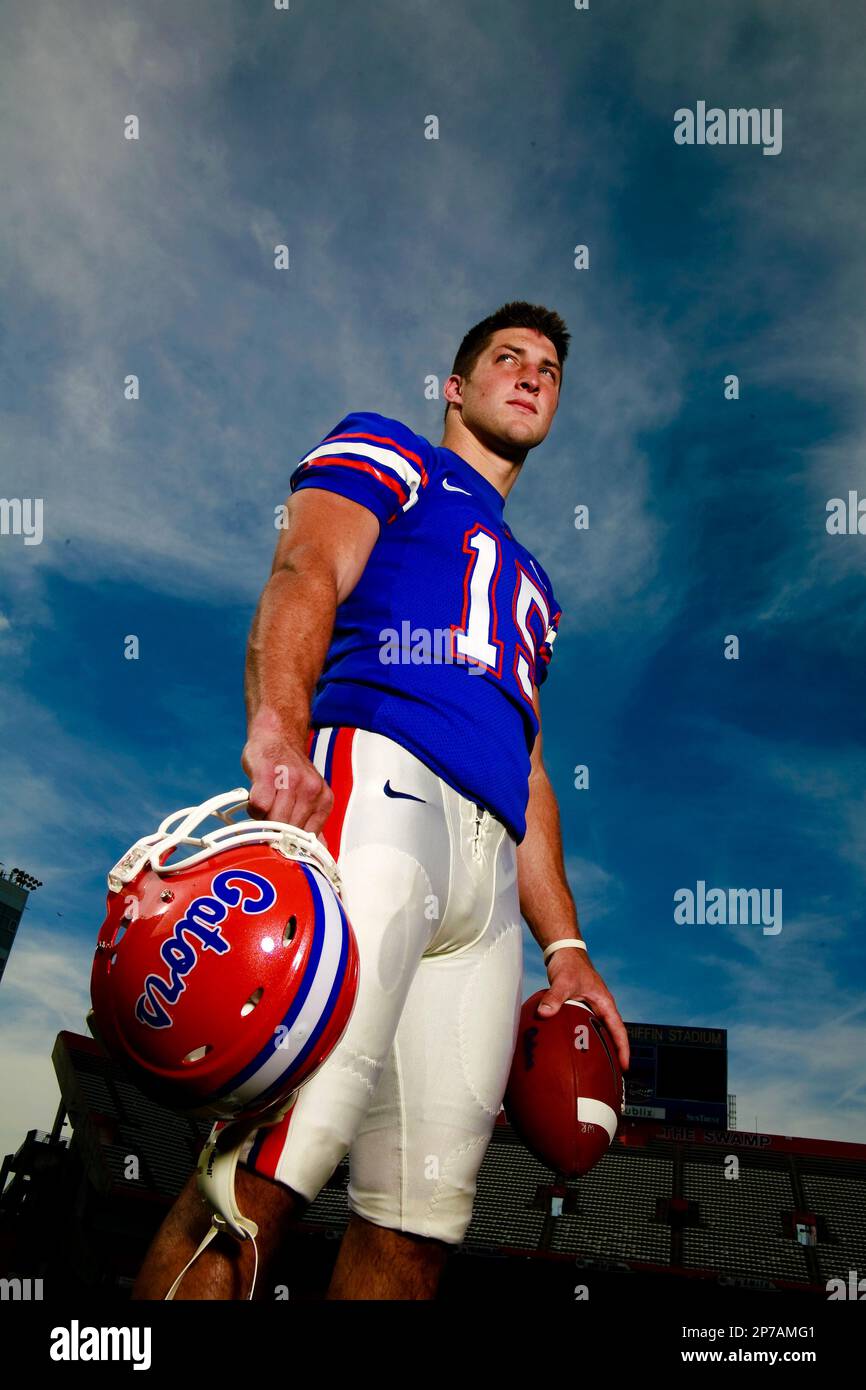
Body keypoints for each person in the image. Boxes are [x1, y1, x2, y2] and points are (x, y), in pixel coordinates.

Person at [132, 300, 630, 1301]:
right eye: (507, 358)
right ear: (455, 387)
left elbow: (525, 766)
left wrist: (565, 947)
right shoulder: (391, 450)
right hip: (379, 787)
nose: (533, 374)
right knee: (266, 1172)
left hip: (486, 879)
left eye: (549, 369)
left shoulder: (533, 586)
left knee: (417, 1222)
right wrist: (278, 723)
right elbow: (307, 564)